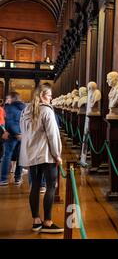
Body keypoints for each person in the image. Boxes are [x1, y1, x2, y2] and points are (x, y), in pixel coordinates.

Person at [19, 83, 63, 233]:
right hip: (46, 154)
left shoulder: (25, 110)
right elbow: (52, 135)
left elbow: (23, 132)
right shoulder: (47, 111)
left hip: (31, 154)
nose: (51, 98)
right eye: (49, 95)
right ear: (42, 95)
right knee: (51, 186)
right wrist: (57, 155)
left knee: (35, 187)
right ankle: (48, 222)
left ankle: (36, 221)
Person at [0, 92, 26, 186]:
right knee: (21, 157)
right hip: (23, 136)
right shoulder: (25, 107)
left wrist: (16, 133)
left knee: (7, 156)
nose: (6, 100)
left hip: (12, 135)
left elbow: (10, 123)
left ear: (12, 99)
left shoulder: (10, 108)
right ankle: (17, 178)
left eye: (8, 98)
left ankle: (3, 179)